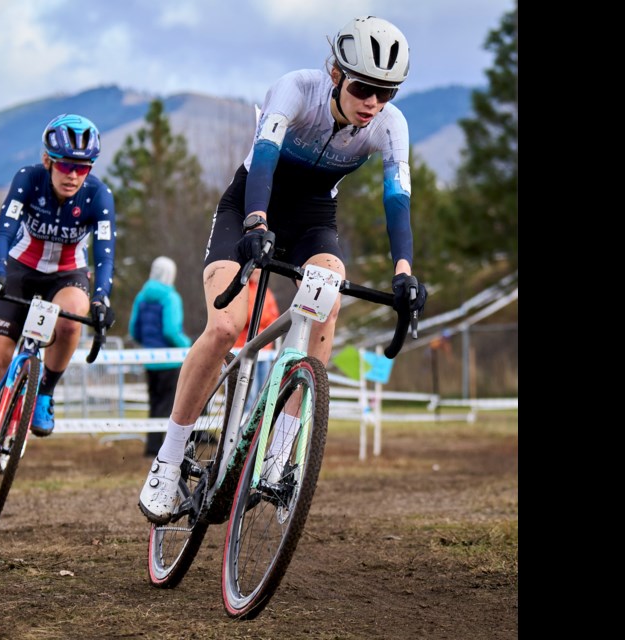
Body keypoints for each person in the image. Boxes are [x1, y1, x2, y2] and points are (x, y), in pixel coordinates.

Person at [138, 17, 428, 524]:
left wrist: (404, 271)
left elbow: (397, 197)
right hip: (251, 204)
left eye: (386, 92)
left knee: (327, 297)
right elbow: (266, 157)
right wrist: (255, 222)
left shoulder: (390, 125)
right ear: (336, 73)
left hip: (315, 219)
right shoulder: (296, 90)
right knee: (226, 326)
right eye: (363, 88)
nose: (373, 103)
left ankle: (277, 456)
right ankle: (167, 459)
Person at [0, 113, 117, 505]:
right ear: (49, 160)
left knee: (71, 319)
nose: (73, 175)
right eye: (66, 165)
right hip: (18, 272)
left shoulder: (99, 196)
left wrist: (102, 299)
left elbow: (104, 257)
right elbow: (3, 230)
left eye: (82, 168)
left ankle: (45, 393)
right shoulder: (28, 179)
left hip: (67, 276)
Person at [128, 257, 192, 457]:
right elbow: (171, 331)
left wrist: (148, 344)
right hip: (170, 360)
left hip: (150, 359)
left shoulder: (142, 296)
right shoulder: (171, 297)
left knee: (155, 403)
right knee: (170, 405)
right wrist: (189, 346)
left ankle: (152, 446)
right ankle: (166, 449)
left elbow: (133, 329)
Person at [233, 269, 279, 416]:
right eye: (256, 270)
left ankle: (256, 433)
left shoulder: (266, 291)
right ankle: (240, 431)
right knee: (247, 394)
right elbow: (245, 316)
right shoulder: (242, 289)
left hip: (264, 350)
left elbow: (275, 317)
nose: (257, 273)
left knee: (262, 392)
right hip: (244, 349)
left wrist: (259, 318)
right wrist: (261, 319)